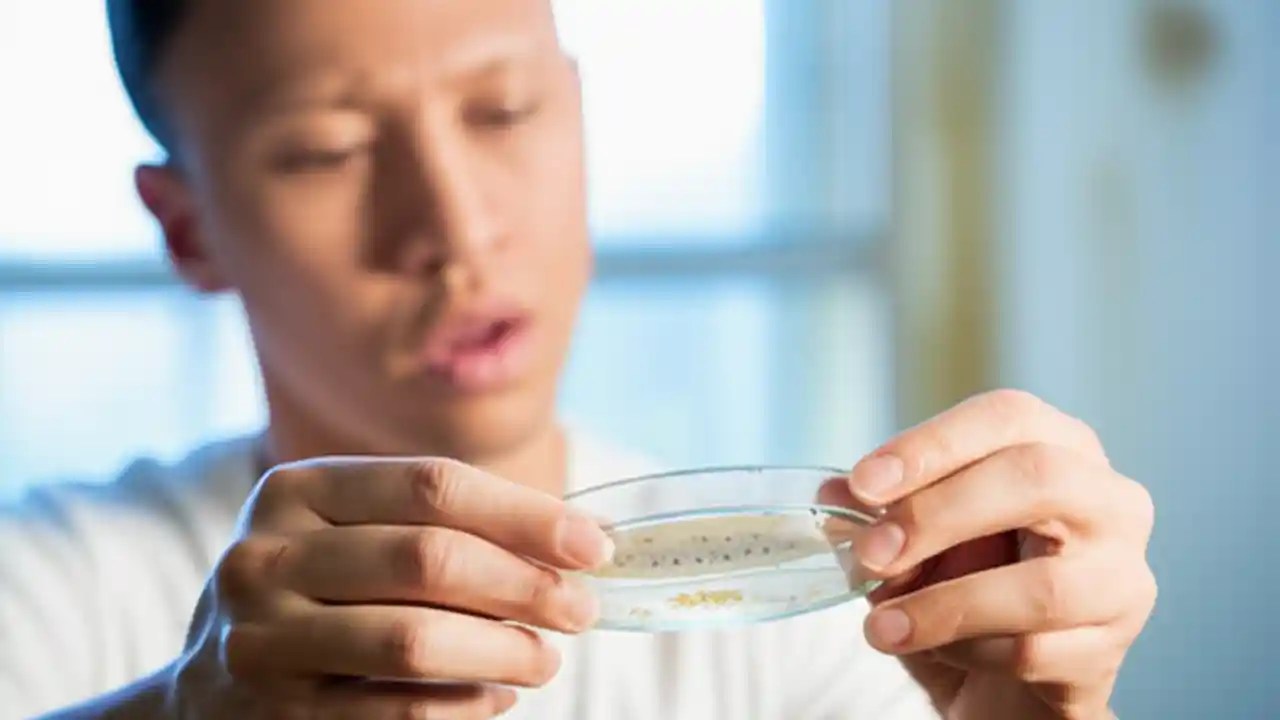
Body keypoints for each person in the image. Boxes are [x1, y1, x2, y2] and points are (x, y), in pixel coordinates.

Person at [0, 1, 1157, 718]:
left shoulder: (811, 608)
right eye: (328, 151)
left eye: (503, 112)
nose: (454, 231)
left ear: (578, 111)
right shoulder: (45, 589)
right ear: (187, 227)